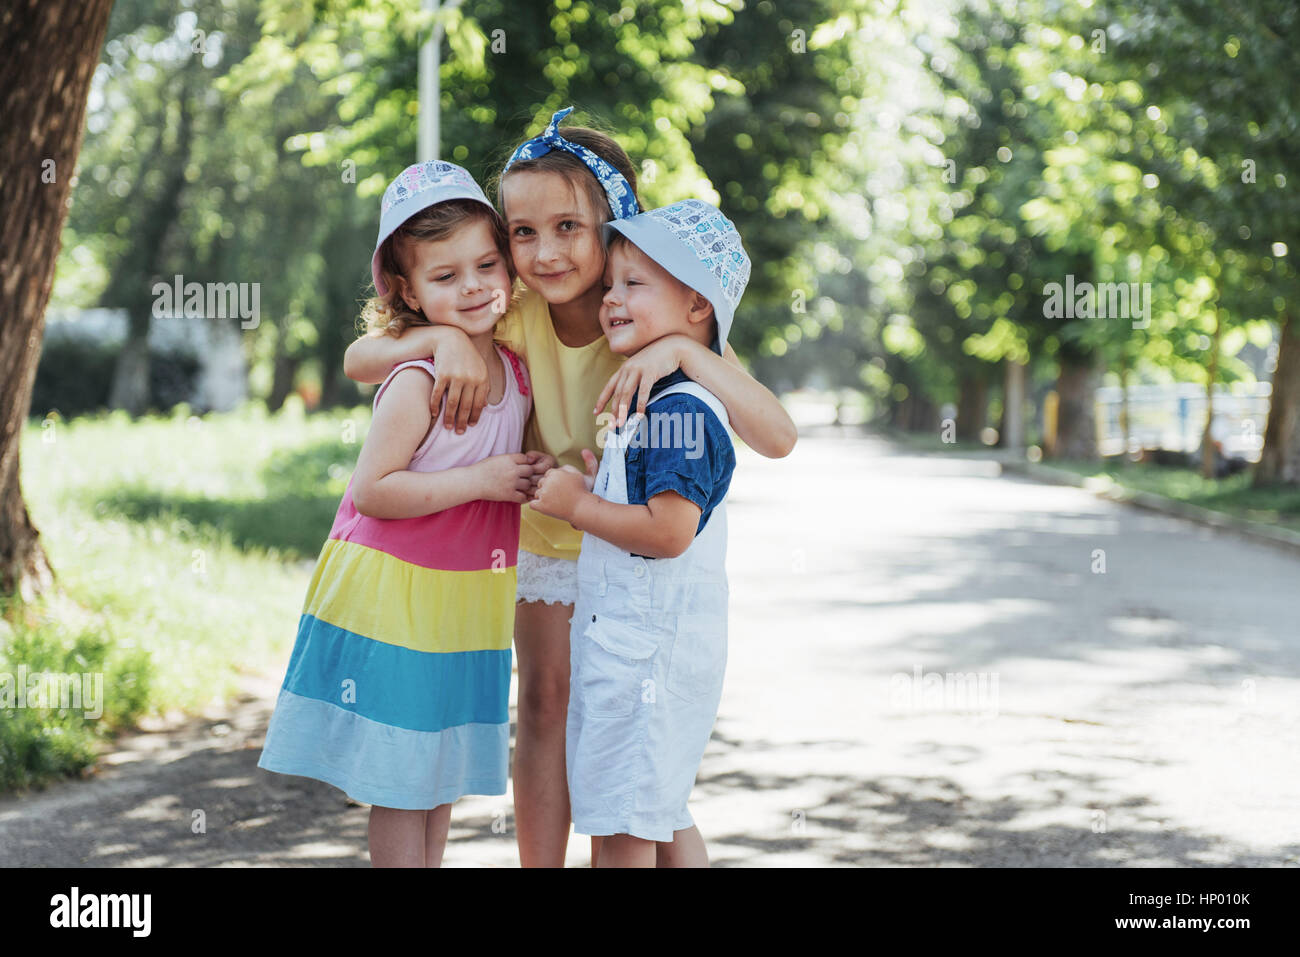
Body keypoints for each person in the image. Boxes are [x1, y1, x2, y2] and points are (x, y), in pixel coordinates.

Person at [342, 107, 797, 867]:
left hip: (634, 554)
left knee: (627, 733)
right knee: (548, 703)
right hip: (549, 538)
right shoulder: (515, 312)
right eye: (522, 233)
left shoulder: (655, 315)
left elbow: (777, 434)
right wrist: (442, 336)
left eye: (567, 228)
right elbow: (363, 356)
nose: (544, 253)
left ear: (614, 226)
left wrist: (687, 347)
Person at [257, 160, 546, 867]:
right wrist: (482, 477)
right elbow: (373, 490)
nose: (474, 285)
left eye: (486, 264)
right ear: (407, 291)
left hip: (464, 598)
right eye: (445, 277)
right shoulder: (416, 379)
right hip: (397, 594)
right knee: (401, 781)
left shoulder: (516, 367)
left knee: (437, 771)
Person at [530, 198, 750, 867]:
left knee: (623, 830)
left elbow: (668, 531)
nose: (611, 299)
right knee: (657, 813)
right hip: (637, 653)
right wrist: (605, 486)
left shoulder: (679, 407)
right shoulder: (662, 402)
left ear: (696, 308)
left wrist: (577, 505)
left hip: (643, 660)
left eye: (635, 284)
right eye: (611, 285)